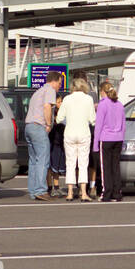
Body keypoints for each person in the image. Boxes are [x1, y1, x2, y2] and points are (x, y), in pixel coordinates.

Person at [57, 77, 97, 201]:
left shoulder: (67, 99)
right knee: (83, 164)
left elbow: (59, 119)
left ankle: (69, 192)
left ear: (72, 87)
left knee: (70, 163)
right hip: (84, 133)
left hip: (69, 133)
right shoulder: (89, 99)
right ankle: (84, 193)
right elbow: (93, 120)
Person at [25, 72, 61, 201]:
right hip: (38, 127)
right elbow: (47, 107)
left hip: (28, 126)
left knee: (33, 160)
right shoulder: (50, 90)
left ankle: (33, 191)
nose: (59, 86)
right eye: (59, 83)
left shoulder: (38, 91)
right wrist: (48, 124)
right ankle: (41, 190)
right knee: (43, 159)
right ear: (54, 81)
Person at [94, 80, 126, 202]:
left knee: (105, 168)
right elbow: (124, 125)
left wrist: (95, 145)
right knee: (115, 167)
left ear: (103, 91)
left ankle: (106, 193)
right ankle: (117, 193)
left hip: (106, 138)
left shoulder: (103, 104)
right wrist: (122, 138)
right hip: (118, 138)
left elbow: (99, 126)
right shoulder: (120, 104)